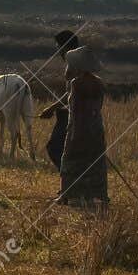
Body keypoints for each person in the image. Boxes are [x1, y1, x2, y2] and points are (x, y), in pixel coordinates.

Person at [57, 43, 108, 206]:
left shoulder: (76, 84)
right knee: (95, 162)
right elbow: (96, 108)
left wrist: (74, 132)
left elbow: (77, 110)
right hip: (96, 129)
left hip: (78, 129)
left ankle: (67, 195)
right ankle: (97, 194)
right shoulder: (99, 83)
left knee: (70, 160)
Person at [38, 29, 80, 171]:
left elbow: (72, 93)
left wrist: (51, 108)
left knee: (55, 148)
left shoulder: (74, 65)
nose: (57, 50)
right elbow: (70, 92)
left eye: (58, 46)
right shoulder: (77, 62)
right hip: (76, 114)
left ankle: (69, 181)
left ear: (66, 47)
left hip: (74, 115)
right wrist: (53, 108)